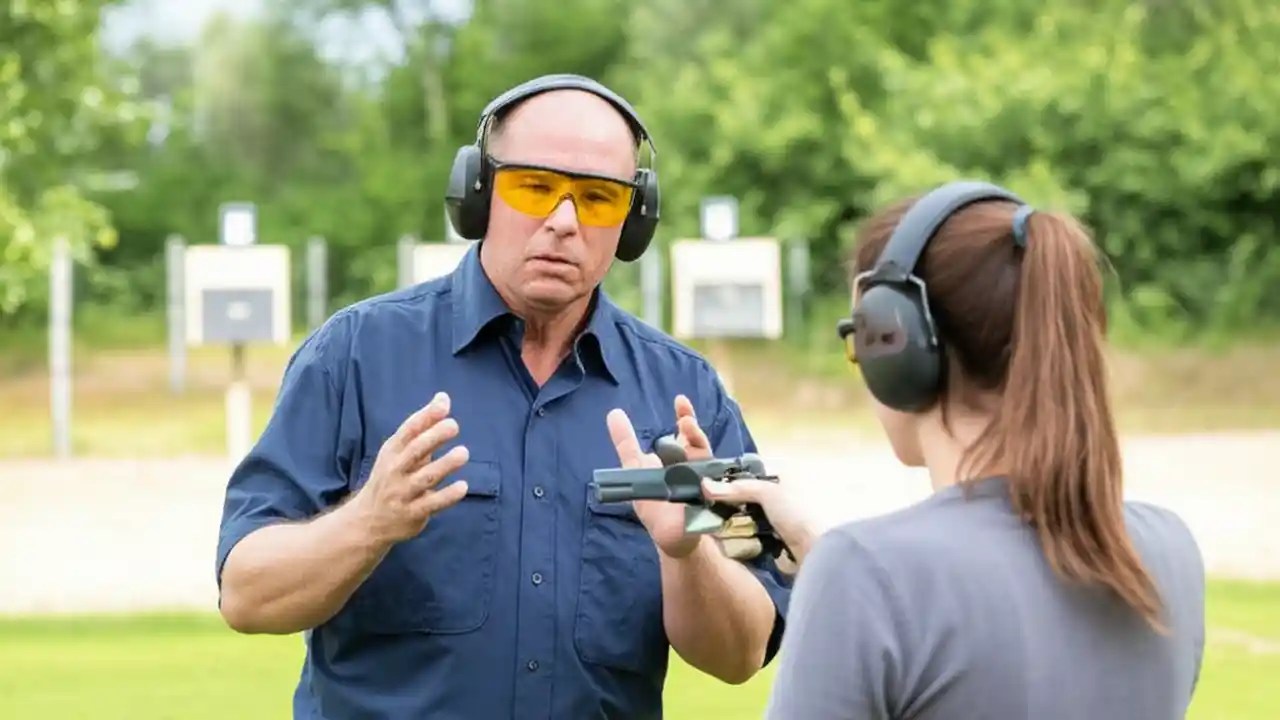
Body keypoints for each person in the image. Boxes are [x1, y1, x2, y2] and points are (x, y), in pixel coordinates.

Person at [213, 73, 792, 720]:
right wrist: (368, 522)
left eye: (598, 198)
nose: (564, 221)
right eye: (535, 187)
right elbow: (246, 594)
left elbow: (742, 653)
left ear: (634, 222)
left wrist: (685, 553)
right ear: (478, 194)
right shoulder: (355, 355)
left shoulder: (687, 394)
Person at [701, 181, 1206, 719]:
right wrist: (819, 555)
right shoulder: (1168, 549)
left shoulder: (863, 574)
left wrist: (838, 579)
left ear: (895, 348)